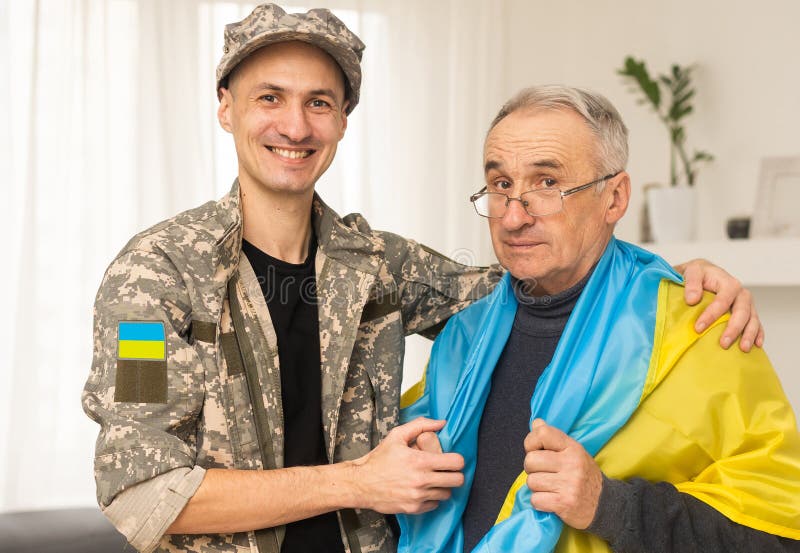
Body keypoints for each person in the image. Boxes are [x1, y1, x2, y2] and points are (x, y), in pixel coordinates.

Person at [81, 5, 765, 553]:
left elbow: (540, 273)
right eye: (270, 97)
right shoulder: (153, 280)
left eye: (320, 102)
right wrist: (358, 481)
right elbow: (144, 491)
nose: (295, 124)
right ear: (226, 106)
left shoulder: (380, 267)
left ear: (343, 121)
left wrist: (679, 279)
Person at [398, 85, 800, 553]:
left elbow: (779, 535)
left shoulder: (700, 329)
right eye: (502, 185)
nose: (513, 217)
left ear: (614, 198)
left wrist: (609, 505)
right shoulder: (462, 338)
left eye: (547, 183)